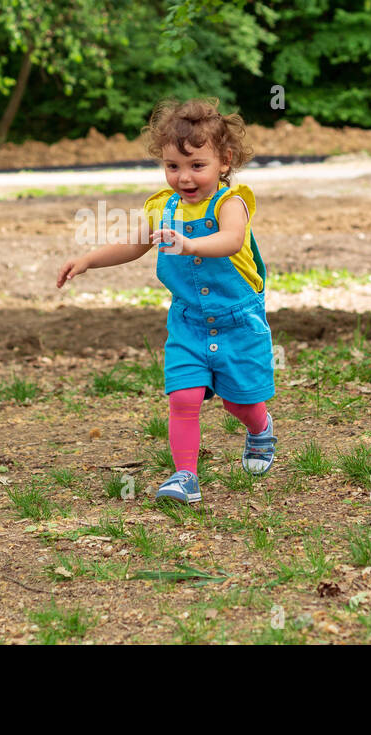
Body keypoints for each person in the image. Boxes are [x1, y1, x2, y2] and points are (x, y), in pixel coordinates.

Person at [56, 97, 276, 505]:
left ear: (224, 161)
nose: (184, 177)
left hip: (237, 320)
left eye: (197, 166)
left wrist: (190, 242)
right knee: (184, 397)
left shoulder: (232, 202)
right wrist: (88, 260)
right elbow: (133, 244)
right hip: (188, 321)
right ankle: (185, 476)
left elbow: (231, 240)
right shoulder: (163, 207)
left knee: (239, 402)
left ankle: (260, 428)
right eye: (173, 166)